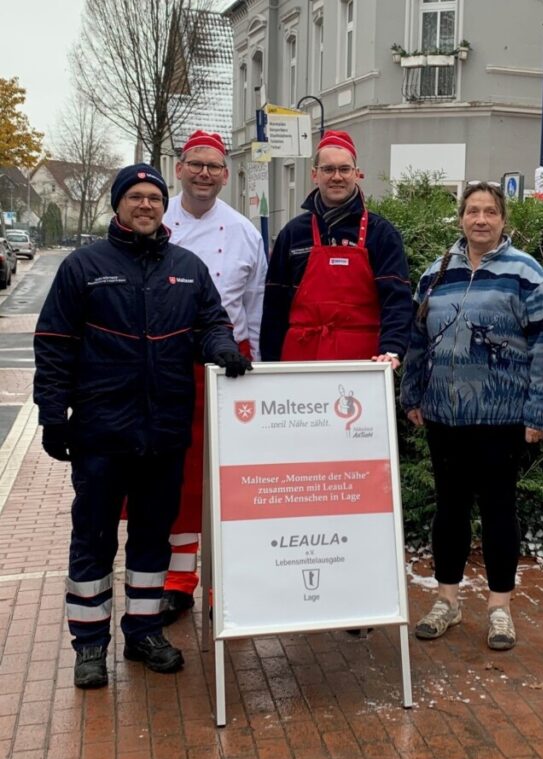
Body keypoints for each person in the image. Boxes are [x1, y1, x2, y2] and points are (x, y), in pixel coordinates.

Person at [34, 163, 252, 690]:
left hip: (165, 431)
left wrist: (222, 348)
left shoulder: (187, 267)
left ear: (163, 205)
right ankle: (89, 645)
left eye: (154, 197)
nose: (147, 205)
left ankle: (144, 631)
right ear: (119, 205)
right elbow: (55, 344)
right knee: (93, 538)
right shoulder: (84, 266)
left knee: (152, 538)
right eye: (135, 197)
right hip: (100, 433)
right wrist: (51, 413)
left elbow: (211, 322)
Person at [400, 182, 543, 651]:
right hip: (444, 417)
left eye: (490, 212)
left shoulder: (526, 274)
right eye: (473, 211)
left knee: (497, 511)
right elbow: (416, 338)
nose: (481, 220)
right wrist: (412, 394)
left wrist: (541, 409)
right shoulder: (437, 273)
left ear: (503, 219)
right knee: (448, 510)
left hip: (500, 417)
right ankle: (447, 600)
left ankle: (499, 607)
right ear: (461, 219)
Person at [159, 130, 268, 625]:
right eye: (196, 164)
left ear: (227, 174)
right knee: (178, 475)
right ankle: (180, 579)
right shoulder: (155, 223)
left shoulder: (243, 231)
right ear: (179, 167)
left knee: (230, 477)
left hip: (231, 366)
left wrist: (261, 366)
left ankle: (228, 580)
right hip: (169, 363)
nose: (205, 173)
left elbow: (256, 305)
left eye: (214, 166)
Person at [261, 130, 412, 368]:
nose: (337, 177)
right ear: (314, 174)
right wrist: (268, 367)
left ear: (357, 174)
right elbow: (274, 307)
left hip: (363, 361)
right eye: (328, 169)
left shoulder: (381, 233)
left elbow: (396, 300)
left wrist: (391, 349)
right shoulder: (292, 234)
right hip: (300, 359)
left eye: (344, 169)